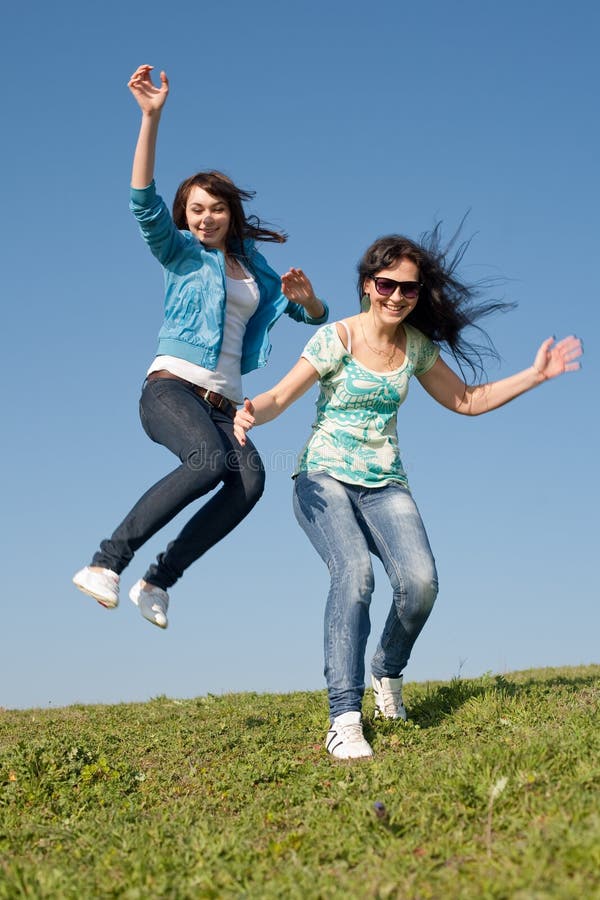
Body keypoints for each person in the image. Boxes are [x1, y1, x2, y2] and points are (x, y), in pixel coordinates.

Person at [233, 231, 583, 760]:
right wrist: (252, 411)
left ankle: (386, 674)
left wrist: (534, 375)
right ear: (367, 285)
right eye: (387, 284)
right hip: (322, 476)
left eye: (409, 289)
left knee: (420, 584)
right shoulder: (337, 338)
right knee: (354, 574)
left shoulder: (416, 349)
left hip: (385, 483)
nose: (397, 296)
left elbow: (465, 399)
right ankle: (344, 718)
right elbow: (282, 395)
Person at [73, 64, 328, 629]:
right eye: (195, 209)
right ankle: (105, 563)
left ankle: (158, 581)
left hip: (225, 405)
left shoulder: (257, 272)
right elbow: (143, 201)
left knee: (249, 482)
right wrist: (150, 118)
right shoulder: (182, 253)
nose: (205, 217)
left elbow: (311, 315)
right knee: (208, 463)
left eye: (215, 208)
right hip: (170, 390)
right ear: (185, 217)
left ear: (230, 213)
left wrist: (309, 302)